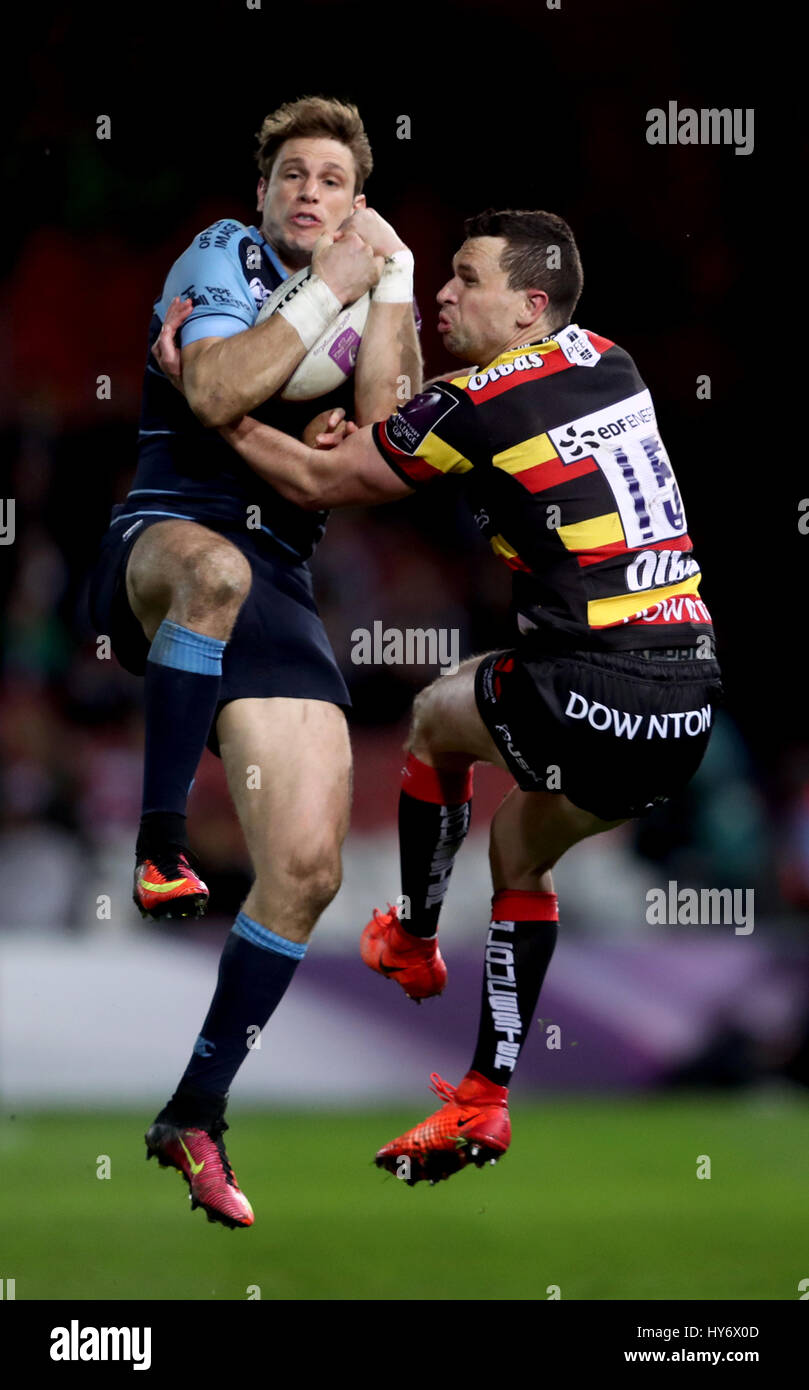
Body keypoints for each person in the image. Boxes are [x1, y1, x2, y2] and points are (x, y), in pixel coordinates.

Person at [196, 207, 724, 1186]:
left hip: (593, 682)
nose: (442, 293)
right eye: (439, 276)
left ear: (529, 305)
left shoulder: (478, 401)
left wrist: (220, 412)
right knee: (519, 845)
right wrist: (378, 428)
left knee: (437, 711)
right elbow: (442, 439)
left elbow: (320, 480)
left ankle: (412, 937)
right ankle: (483, 1101)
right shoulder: (609, 360)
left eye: (465, 279)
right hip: (687, 703)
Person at [88, 96, 421, 1227]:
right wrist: (332, 286)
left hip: (280, 576)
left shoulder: (364, 279)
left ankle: (195, 1110)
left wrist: (395, 286)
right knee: (214, 577)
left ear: (357, 199)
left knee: (310, 869)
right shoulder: (220, 254)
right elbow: (218, 386)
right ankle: (158, 849)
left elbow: (386, 442)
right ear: (265, 189)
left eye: (332, 178)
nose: (308, 193)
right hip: (165, 538)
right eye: (291, 174)